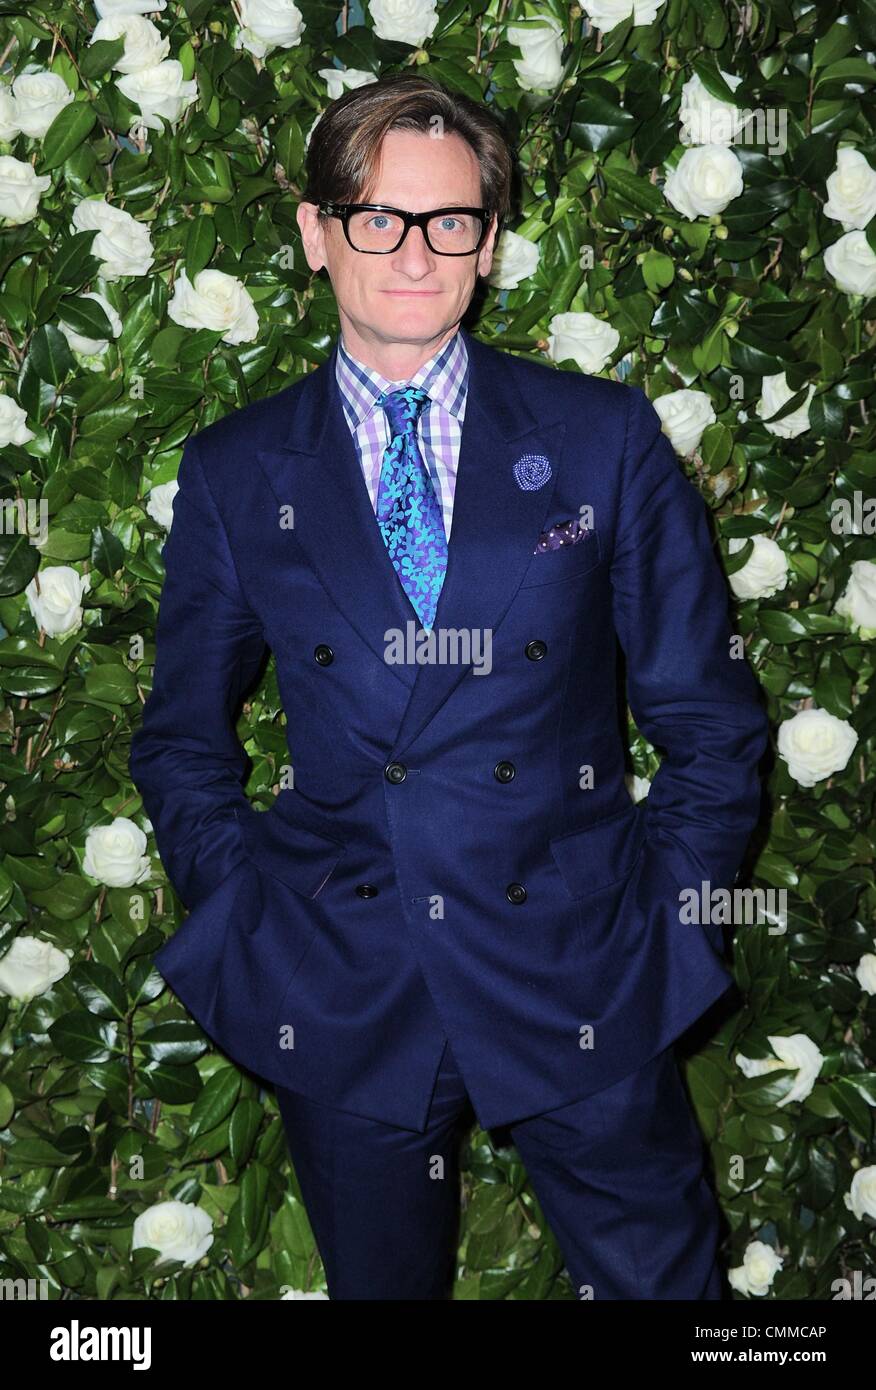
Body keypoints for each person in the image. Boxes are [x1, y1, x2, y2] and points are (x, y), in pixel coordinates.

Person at [129, 72, 770, 1300]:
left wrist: (664, 923)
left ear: (489, 244)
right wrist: (253, 921)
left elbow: (709, 719)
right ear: (318, 236)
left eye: (451, 221)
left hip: (582, 963)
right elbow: (182, 741)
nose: (415, 253)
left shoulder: (601, 436)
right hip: (345, 980)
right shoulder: (235, 469)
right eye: (379, 218)